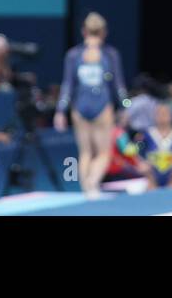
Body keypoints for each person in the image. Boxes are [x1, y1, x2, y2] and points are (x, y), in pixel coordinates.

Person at [54, 12, 127, 199]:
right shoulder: (110, 54)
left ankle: (87, 189)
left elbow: (67, 85)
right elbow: (118, 85)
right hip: (102, 105)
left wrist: (60, 110)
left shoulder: (73, 55)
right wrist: (125, 106)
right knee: (103, 152)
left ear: (84, 31)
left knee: (85, 152)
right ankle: (93, 183)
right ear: (104, 32)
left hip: (80, 106)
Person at [128, 102, 172, 189]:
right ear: (154, 116)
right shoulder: (146, 135)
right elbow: (131, 152)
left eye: (165, 113)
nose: (162, 116)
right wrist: (141, 165)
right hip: (152, 181)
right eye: (159, 113)